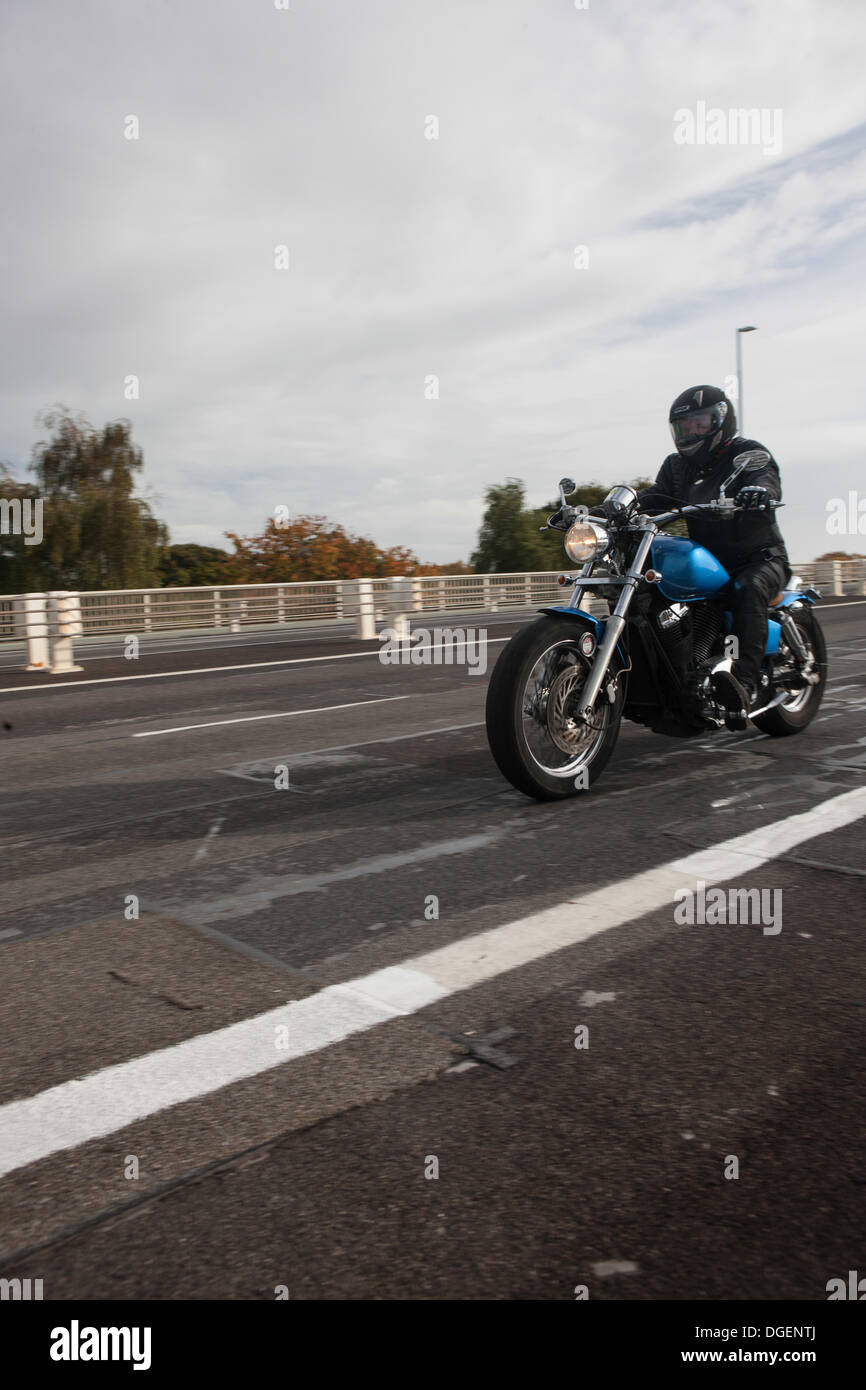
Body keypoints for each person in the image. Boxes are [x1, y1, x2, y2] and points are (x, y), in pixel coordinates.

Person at [637, 384, 790, 720]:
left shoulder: (747, 453)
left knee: (746, 588)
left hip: (760, 559)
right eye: (683, 426)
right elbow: (654, 498)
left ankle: (745, 684)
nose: (690, 431)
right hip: (712, 563)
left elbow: (766, 476)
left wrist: (758, 491)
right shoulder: (676, 467)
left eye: (699, 423)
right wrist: (607, 510)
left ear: (720, 419)